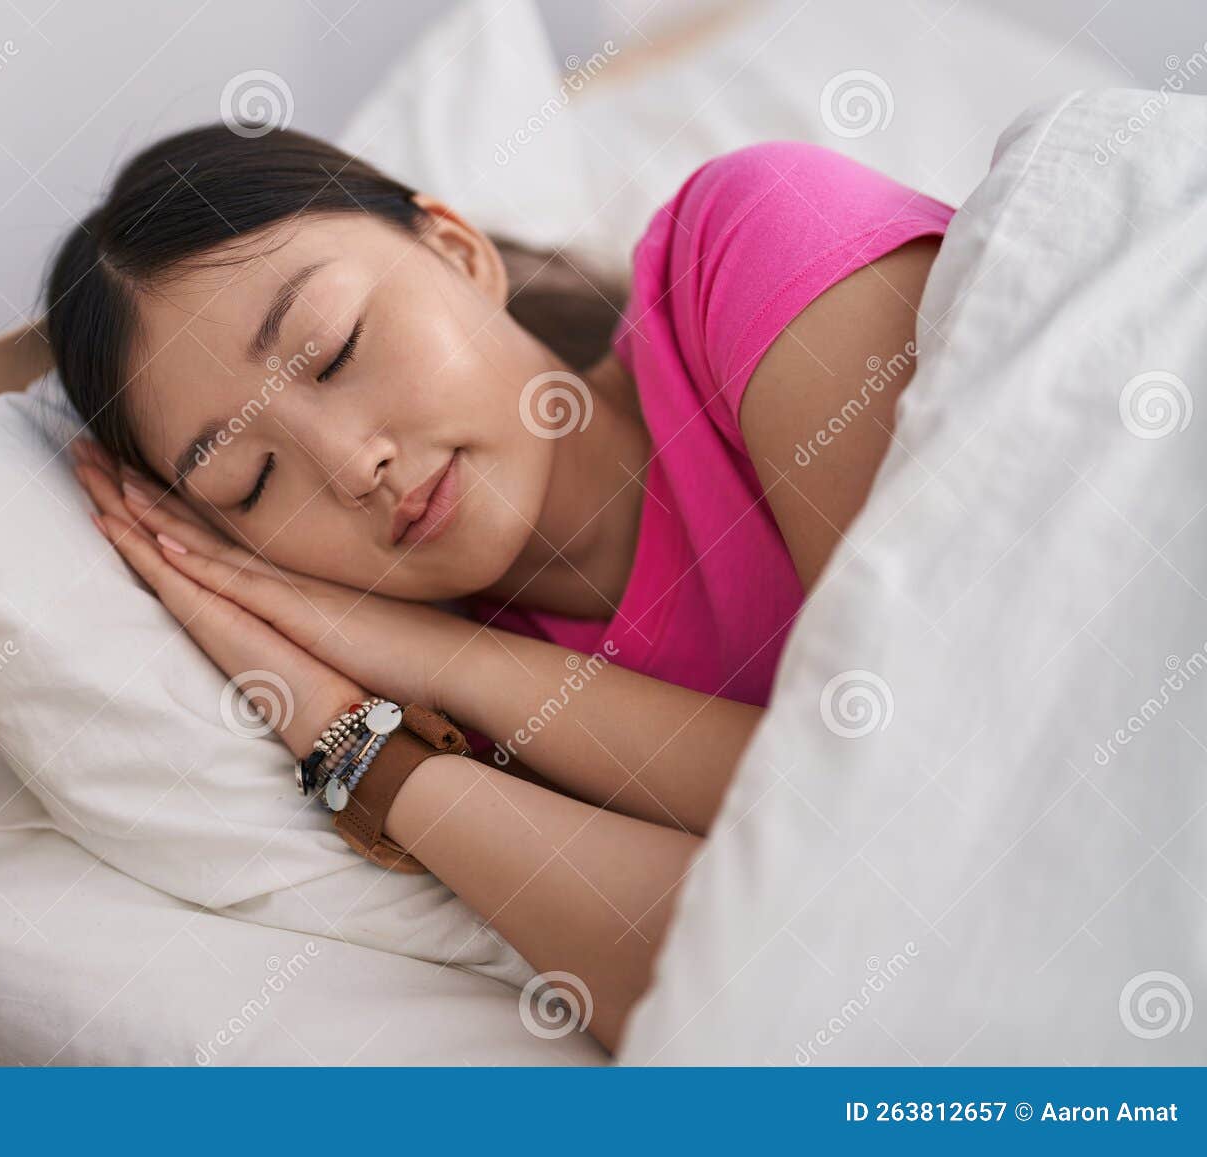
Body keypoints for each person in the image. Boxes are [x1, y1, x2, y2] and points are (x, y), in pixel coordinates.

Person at [48, 123, 951, 1052]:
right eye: (251, 480)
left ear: (456, 250)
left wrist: (452, 657)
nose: (354, 465)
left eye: (334, 350)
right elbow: (755, 997)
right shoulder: (463, 733)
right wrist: (364, 744)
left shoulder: (757, 244)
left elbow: (931, 778)